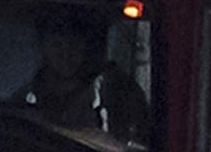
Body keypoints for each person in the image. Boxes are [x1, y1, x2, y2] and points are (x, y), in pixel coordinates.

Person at [18, 8, 151, 144]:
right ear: (42, 48)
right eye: (57, 45)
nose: (66, 54)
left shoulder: (120, 96)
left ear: (87, 46)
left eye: (73, 44)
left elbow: (140, 148)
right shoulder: (21, 104)